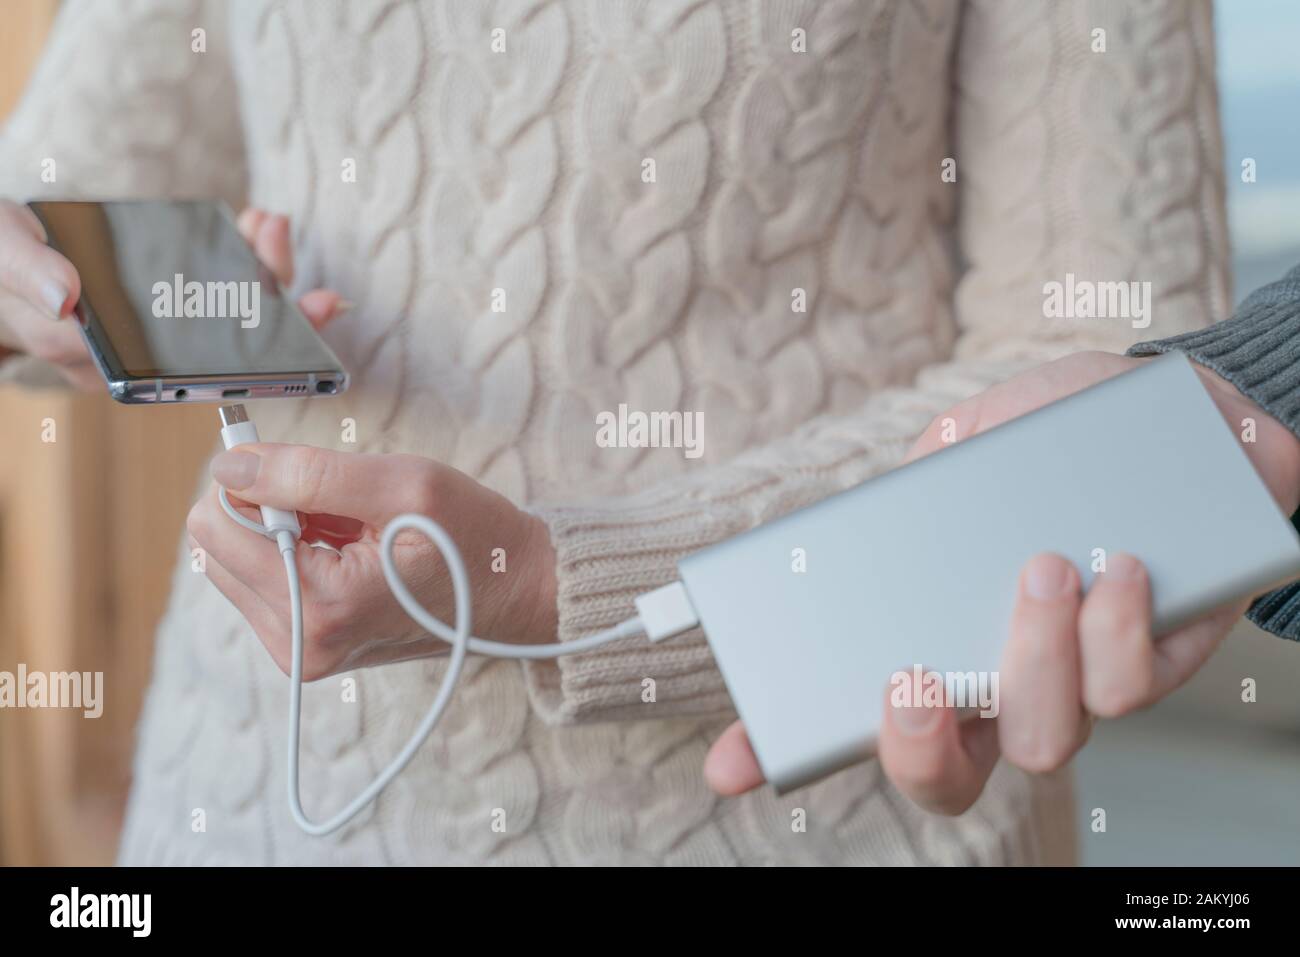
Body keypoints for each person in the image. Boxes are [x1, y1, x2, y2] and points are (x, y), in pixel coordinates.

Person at [0, 0, 1280, 865]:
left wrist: (564, 584)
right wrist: (50, 290)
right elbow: (69, 180)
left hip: (825, 812)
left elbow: (1120, 377)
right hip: (260, 789)